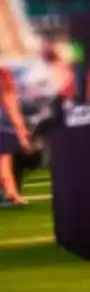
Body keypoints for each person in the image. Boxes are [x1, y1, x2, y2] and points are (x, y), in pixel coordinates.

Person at [0, 67, 33, 207]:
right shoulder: (7, 91)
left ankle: (9, 194)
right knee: (6, 168)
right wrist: (23, 135)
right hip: (4, 131)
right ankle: (12, 195)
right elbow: (14, 114)